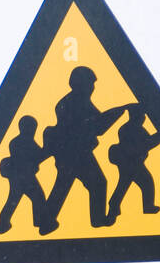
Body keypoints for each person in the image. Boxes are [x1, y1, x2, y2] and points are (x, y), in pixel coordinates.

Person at [39, 66, 127, 234]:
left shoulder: (78, 100)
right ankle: (96, 219)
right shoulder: (73, 102)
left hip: (75, 152)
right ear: (81, 84)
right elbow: (98, 126)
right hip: (74, 153)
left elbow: (97, 122)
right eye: (90, 84)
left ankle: (48, 221)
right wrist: (120, 111)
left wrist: (119, 110)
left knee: (65, 185)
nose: (92, 88)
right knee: (93, 183)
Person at [106, 103, 160, 224]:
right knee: (145, 182)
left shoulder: (137, 128)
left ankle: (116, 204)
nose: (144, 118)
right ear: (135, 116)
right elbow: (147, 144)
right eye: (142, 115)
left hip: (134, 162)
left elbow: (147, 142)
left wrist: (159, 136)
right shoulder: (128, 129)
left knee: (126, 184)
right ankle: (146, 206)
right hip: (130, 162)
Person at [0, 115, 47, 234]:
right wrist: (47, 149)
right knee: (37, 197)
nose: (33, 130)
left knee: (15, 199)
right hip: (24, 177)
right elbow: (35, 156)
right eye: (32, 127)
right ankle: (39, 222)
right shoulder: (20, 142)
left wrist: (46, 150)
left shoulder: (25, 140)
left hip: (21, 176)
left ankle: (4, 221)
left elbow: (38, 155)